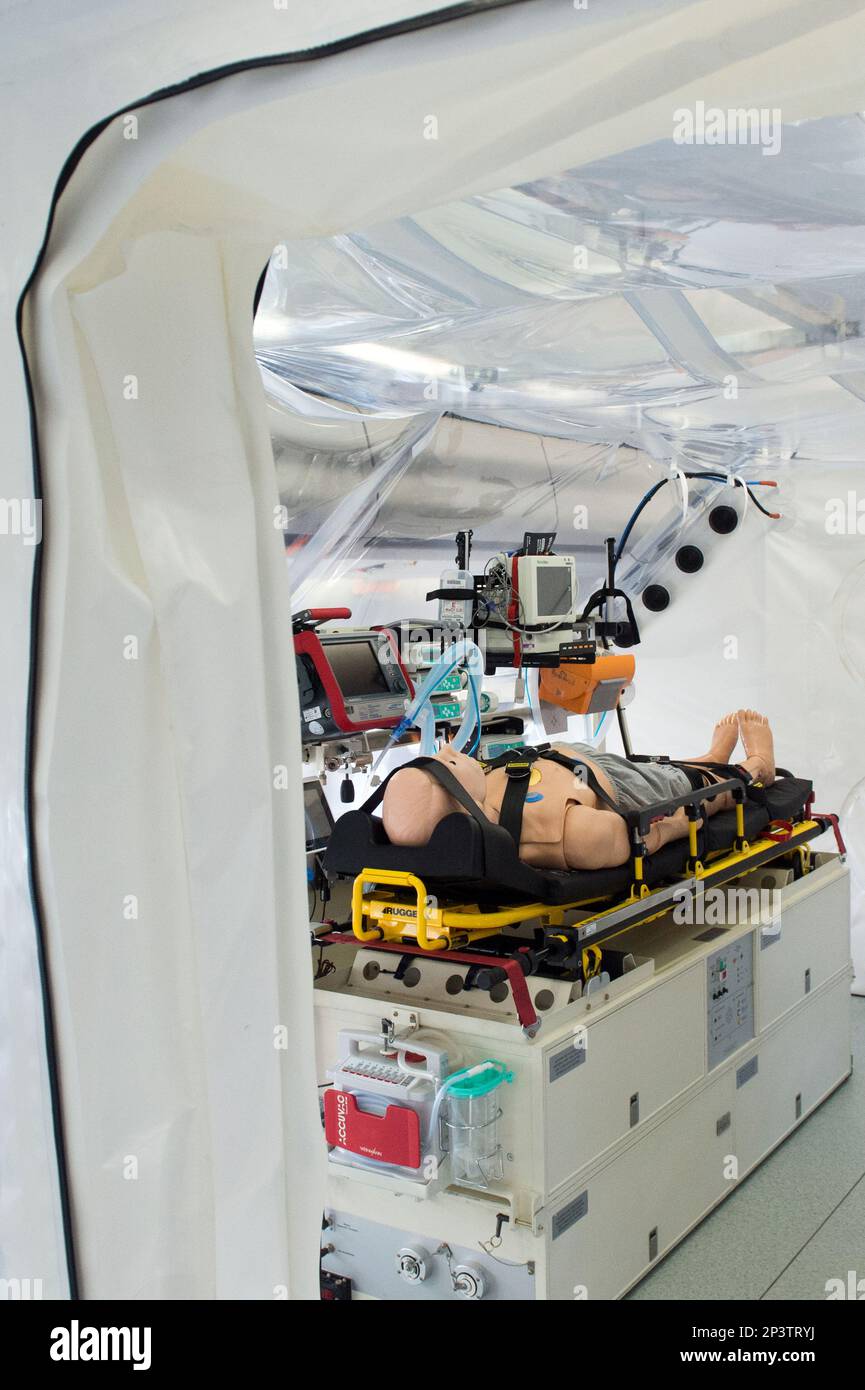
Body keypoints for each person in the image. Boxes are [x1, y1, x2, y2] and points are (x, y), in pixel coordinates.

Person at [382, 710, 776, 872]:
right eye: (448, 762)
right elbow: (643, 832)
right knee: (678, 786)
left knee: (661, 771)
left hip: (573, 763)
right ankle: (751, 767)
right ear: (458, 803)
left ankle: (706, 757)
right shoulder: (553, 836)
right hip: (615, 791)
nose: (450, 750)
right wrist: (680, 822)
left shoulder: (480, 794)